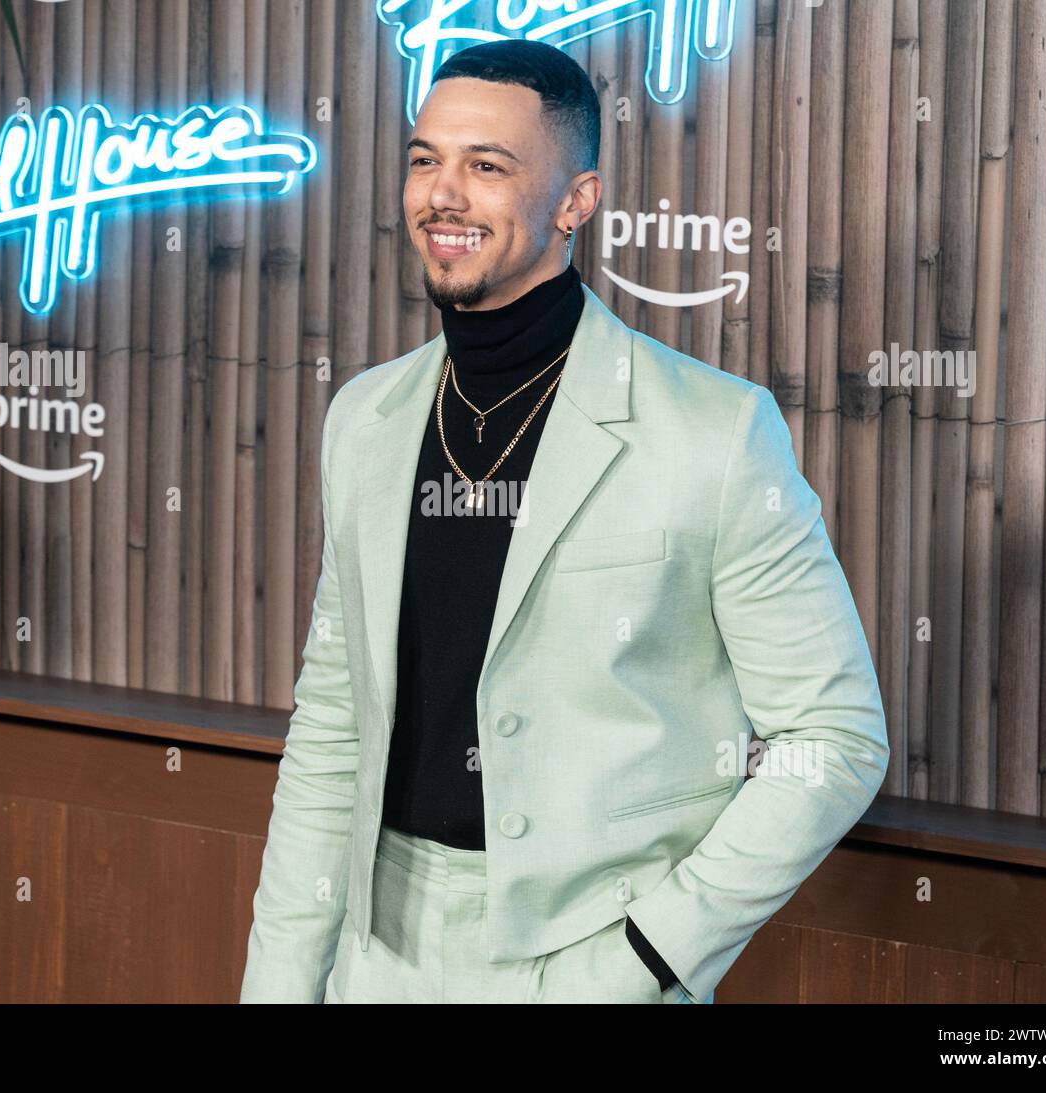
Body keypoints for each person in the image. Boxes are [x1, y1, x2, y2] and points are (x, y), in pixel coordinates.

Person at [240, 38, 888, 1004]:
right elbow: (334, 726)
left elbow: (833, 737)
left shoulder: (714, 431)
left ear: (575, 201)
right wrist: (280, 987)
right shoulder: (363, 421)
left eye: (486, 166)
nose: (442, 195)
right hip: (374, 957)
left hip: (592, 961)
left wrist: (648, 957)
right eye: (425, 160)